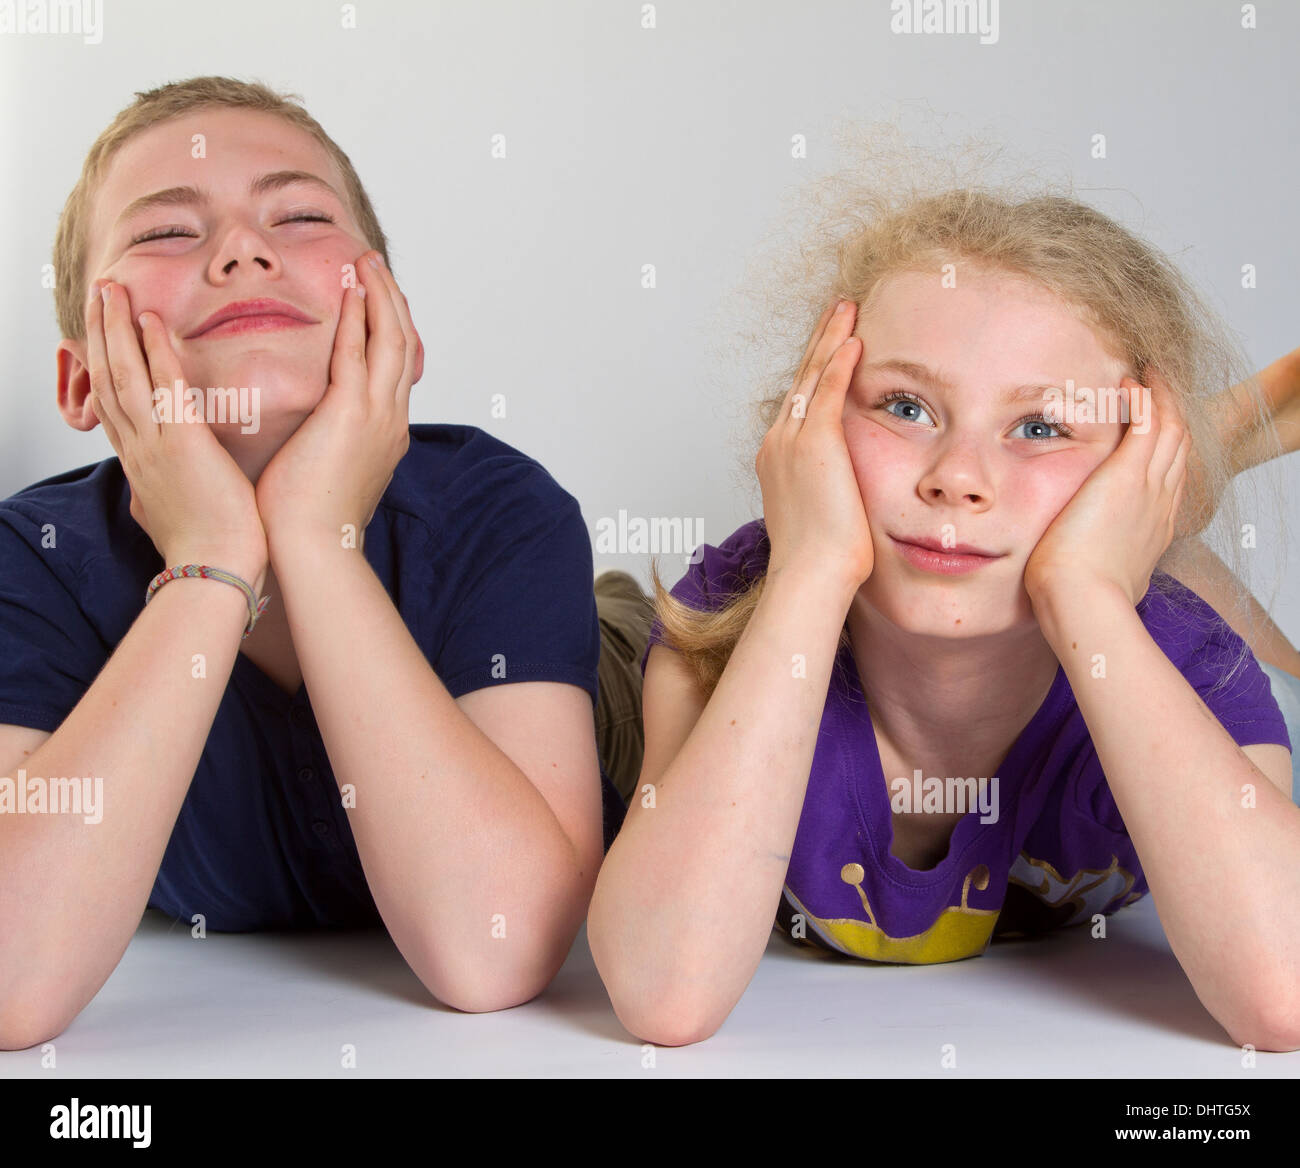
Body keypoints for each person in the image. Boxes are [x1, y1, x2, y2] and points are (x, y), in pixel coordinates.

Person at [587, 176, 1300, 1051]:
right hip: (668, 643)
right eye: (905, 406)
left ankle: (1188, 481)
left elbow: (1286, 998)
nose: (957, 476)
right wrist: (810, 568)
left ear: (1132, 473)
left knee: (1227, 628)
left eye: (1040, 426)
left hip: (1162, 626)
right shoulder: (734, 616)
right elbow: (666, 995)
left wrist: (1086, 591)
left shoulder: (1193, 663)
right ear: (808, 420)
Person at [0, 76, 631, 1050]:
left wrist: (315, 541)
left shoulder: (500, 510)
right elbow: (11, 980)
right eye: (167, 233)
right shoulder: (29, 561)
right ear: (82, 375)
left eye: (298, 215)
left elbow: (496, 948)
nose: (243, 250)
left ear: (397, 330)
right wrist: (212, 561)